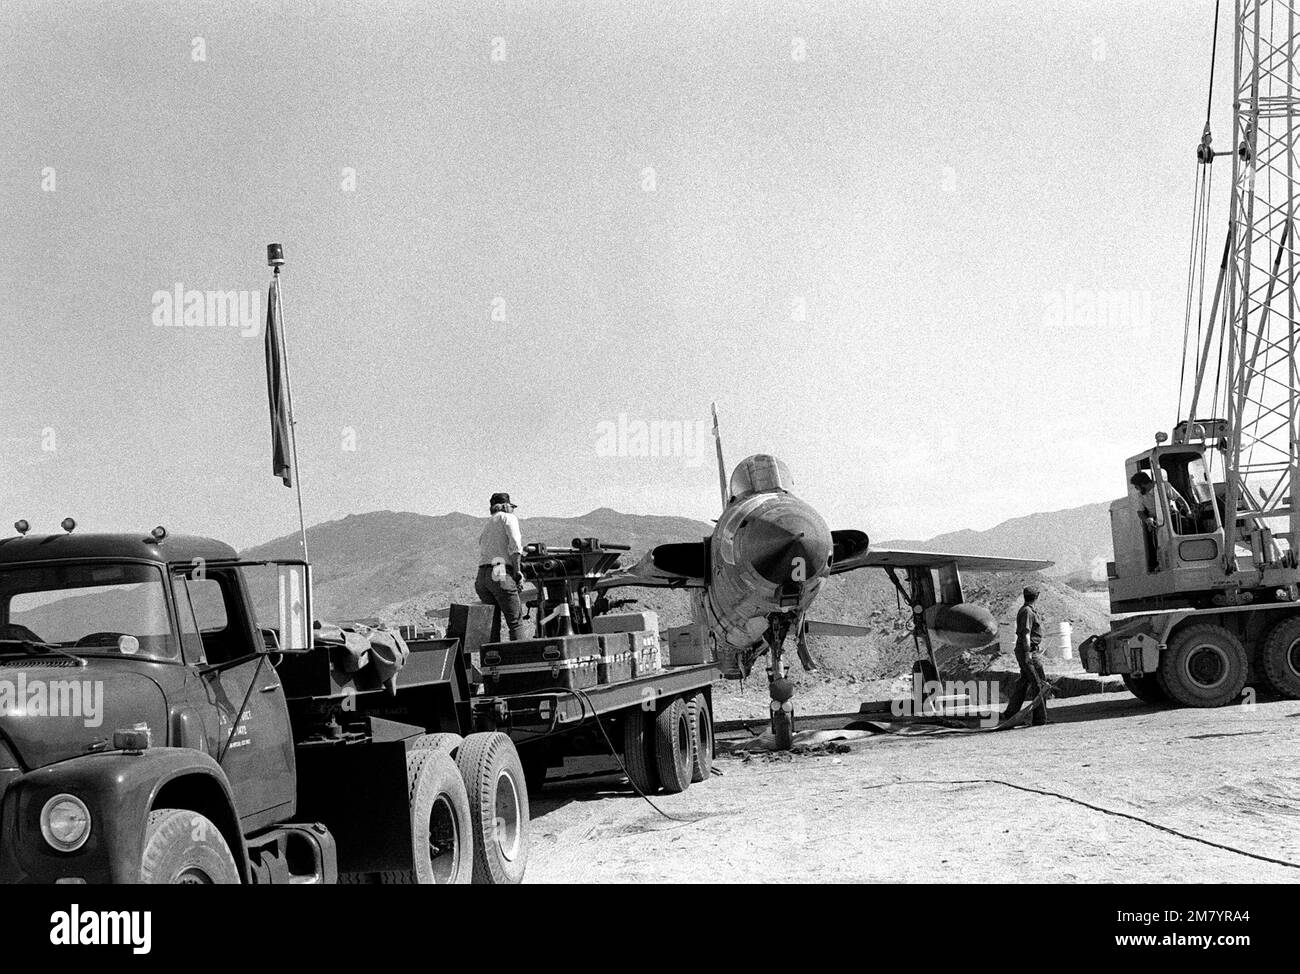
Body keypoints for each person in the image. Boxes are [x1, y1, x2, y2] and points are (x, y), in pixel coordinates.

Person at [475, 492, 527, 641]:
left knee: (492, 625)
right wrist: (517, 573)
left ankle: (494, 660)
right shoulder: (508, 518)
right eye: (511, 507)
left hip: (483, 575)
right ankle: (521, 659)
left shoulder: (488, 523)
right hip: (499, 569)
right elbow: (515, 546)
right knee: (515, 622)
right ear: (505, 506)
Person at [1000, 586, 1049, 727]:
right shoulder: (1027, 611)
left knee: (1024, 683)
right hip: (1028, 652)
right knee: (1039, 684)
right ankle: (1040, 719)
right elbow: (1026, 634)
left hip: (1027, 651)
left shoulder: (1027, 610)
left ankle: (1010, 713)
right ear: (1037, 596)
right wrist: (1028, 654)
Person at [1131, 471, 1193, 569]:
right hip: (1157, 522)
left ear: (1142, 484)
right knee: (1160, 545)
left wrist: (1188, 511)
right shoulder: (1141, 495)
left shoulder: (1164, 486)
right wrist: (1147, 520)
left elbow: (1178, 498)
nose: (1136, 489)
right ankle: (1162, 565)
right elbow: (1140, 512)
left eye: (1136, 486)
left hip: (1171, 518)